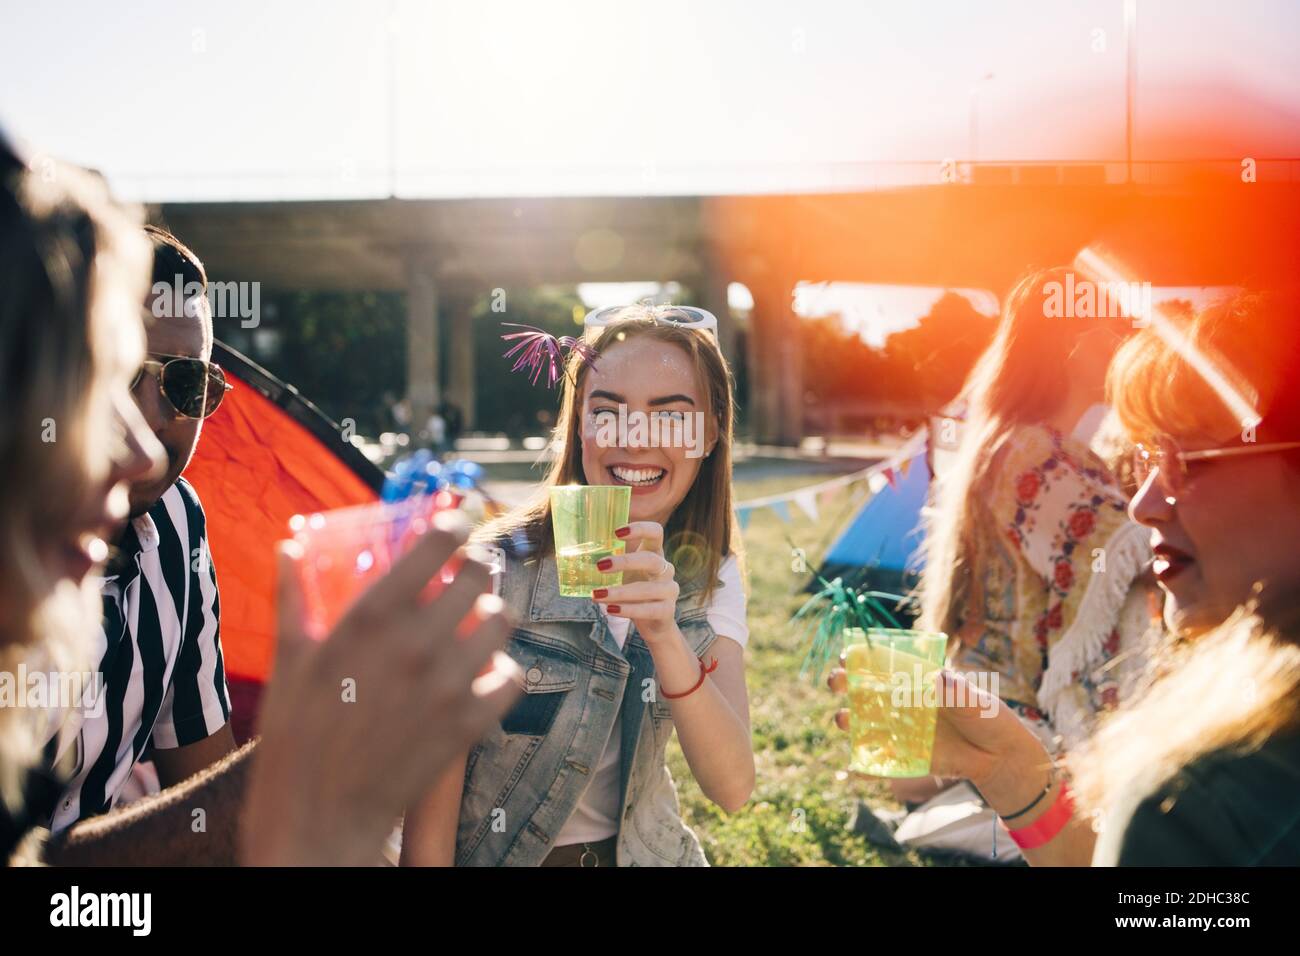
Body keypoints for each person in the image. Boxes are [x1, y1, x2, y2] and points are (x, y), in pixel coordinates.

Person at [0, 139, 522, 866]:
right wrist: (295, 773)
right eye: (104, 378)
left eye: (188, 386)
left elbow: (192, 807)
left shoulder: (176, 525)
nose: (147, 443)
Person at [831, 287, 1300, 865]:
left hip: (986, 700)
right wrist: (1011, 766)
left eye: (1189, 461)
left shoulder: (1009, 441)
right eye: (1112, 326)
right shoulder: (1040, 452)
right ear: (1071, 342)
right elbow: (1114, 547)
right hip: (1014, 704)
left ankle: (945, 814)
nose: (1144, 504)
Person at [401, 304, 754, 866]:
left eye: (670, 416)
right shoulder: (491, 569)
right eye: (608, 412)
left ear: (709, 436)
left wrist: (665, 636)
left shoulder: (711, 571)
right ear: (579, 427)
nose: (634, 442)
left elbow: (732, 787)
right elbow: (430, 802)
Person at [40, 226, 241, 853]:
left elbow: (205, 793)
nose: (153, 426)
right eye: (122, 373)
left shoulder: (178, 524)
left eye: (187, 385)